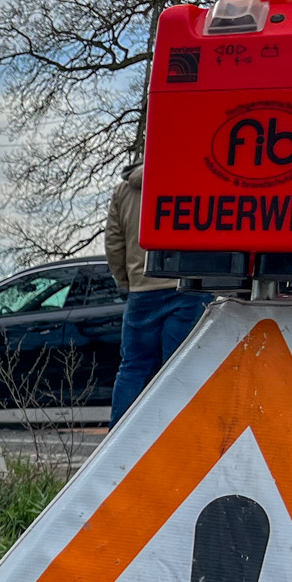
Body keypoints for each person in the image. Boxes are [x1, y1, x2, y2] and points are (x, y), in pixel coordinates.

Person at [106, 163, 211, 422]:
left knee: (133, 367)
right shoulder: (196, 174)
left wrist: (129, 281)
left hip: (143, 289)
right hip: (189, 287)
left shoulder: (123, 190)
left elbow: (114, 243)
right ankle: (175, 439)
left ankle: (117, 441)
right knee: (180, 368)